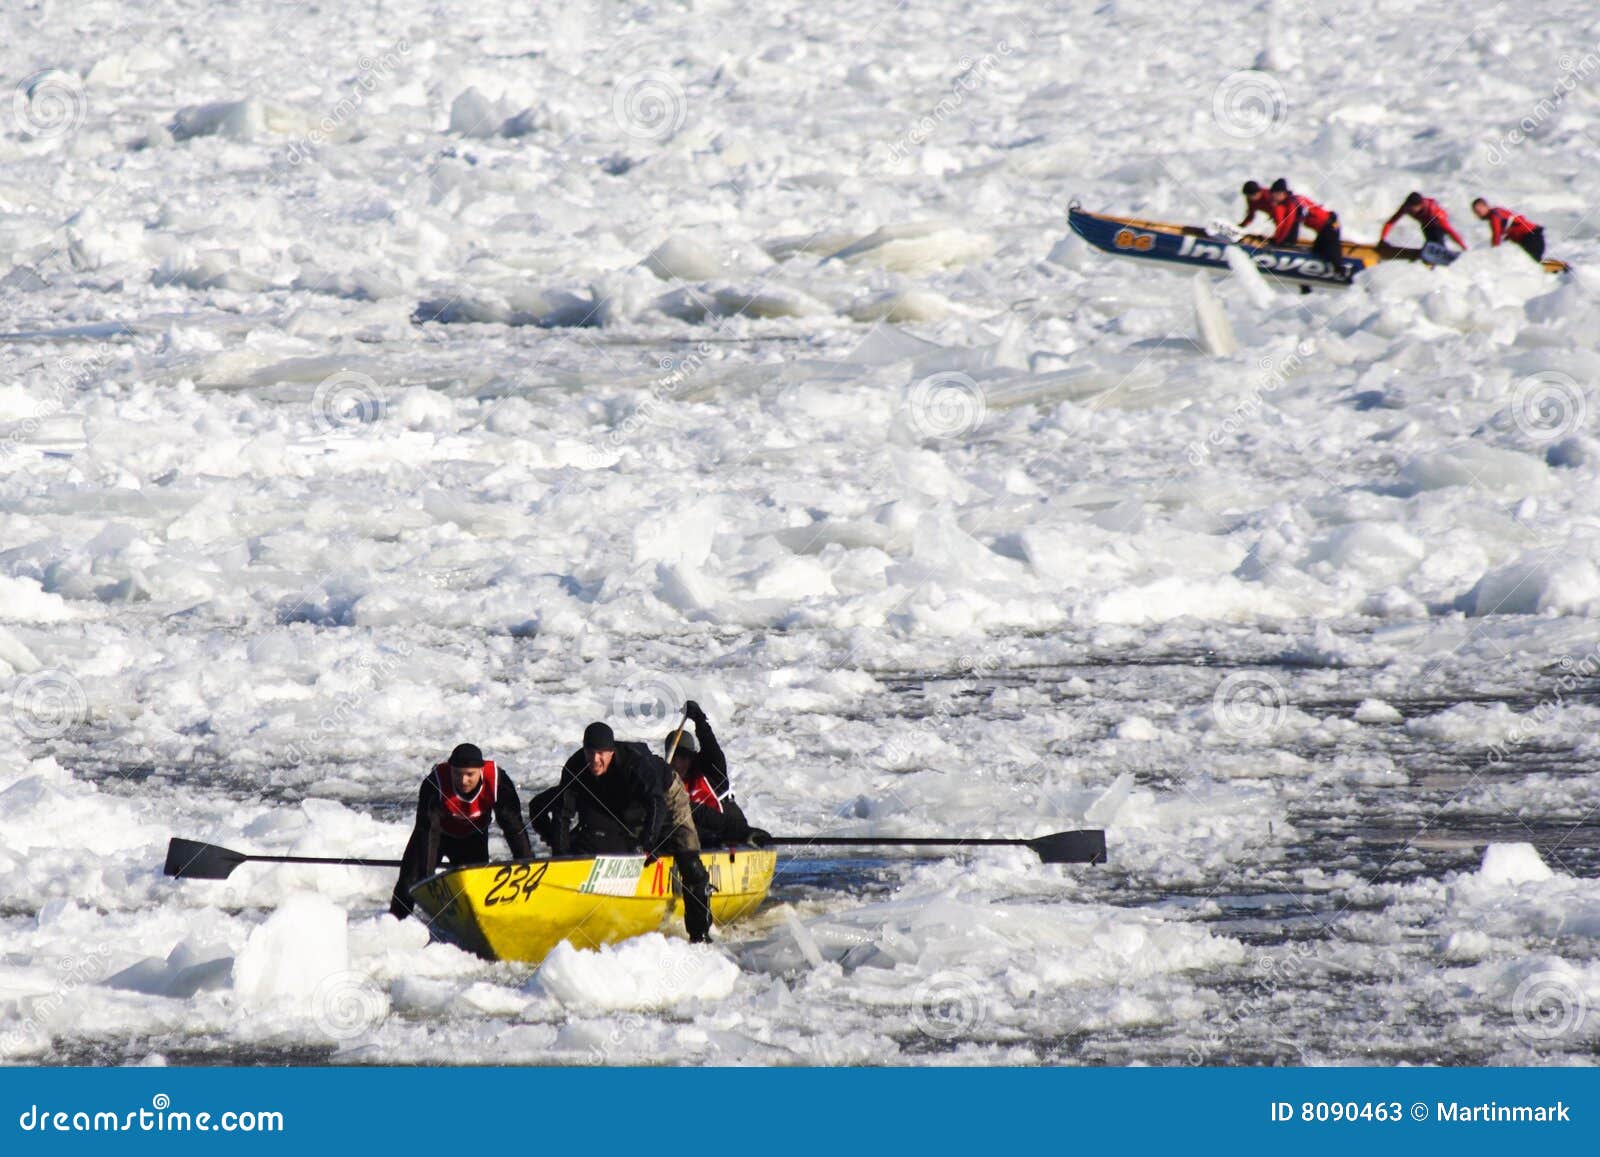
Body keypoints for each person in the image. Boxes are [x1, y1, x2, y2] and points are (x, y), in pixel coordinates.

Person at [535, 721, 714, 943]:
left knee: (688, 858)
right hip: (623, 800)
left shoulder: (634, 764)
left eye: (601, 754)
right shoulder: (575, 766)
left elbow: (656, 804)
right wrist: (561, 858)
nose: (595, 760)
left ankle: (700, 935)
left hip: (666, 793)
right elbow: (563, 814)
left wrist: (649, 845)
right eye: (590, 752)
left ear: (612, 752)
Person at [390, 743, 533, 919]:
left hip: (473, 838)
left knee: (475, 894)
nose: (463, 780)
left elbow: (514, 827)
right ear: (450, 769)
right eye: (457, 774)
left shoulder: (497, 782)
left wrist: (527, 866)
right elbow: (427, 831)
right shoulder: (435, 783)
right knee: (409, 883)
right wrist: (426, 878)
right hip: (437, 836)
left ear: (481, 770)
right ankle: (396, 925)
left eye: (469, 774)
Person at [663, 700, 768, 847]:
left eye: (684, 758)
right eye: (674, 758)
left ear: (692, 757)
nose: (677, 764)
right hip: (696, 835)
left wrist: (700, 721)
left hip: (729, 826)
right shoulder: (665, 777)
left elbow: (710, 747)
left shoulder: (711, 771)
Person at [1268, 178, 1344, 266]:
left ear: (1282, 193)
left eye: (1274, 195)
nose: (1273, 198)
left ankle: (1341, 271)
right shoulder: (1293, 199)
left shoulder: (1291, 203)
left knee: (1332, 253)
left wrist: (1278, 241)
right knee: (1317, 251)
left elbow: (1288, 224)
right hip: (1326, 228)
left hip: (1330, 226)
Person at [1380, 191, 1467, 251]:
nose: (1410, 210)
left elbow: (1450, 231)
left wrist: (1463, 246)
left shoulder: (1433, 211)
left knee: (1437, 238)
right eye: (1409, 206)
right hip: (1426, 225)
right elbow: (1390, 222)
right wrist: (1382, 239)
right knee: (1429, 240)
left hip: (1438, 225)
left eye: (1412, 208)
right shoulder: (1406, 207)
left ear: (1420, 205)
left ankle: (1442, 252)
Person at [1472, 198, 1546, 261]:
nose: (1478, 214)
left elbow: (1496, 235)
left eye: (1479, 210)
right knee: (1535, 262)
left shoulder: (1494, 215)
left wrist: (1494, 252)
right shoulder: (1497, 211)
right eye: (1476, 212)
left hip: (1530, 235)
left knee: (1537, 262)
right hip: (1529, 235)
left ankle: (1555, 272)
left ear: (1486, 206)